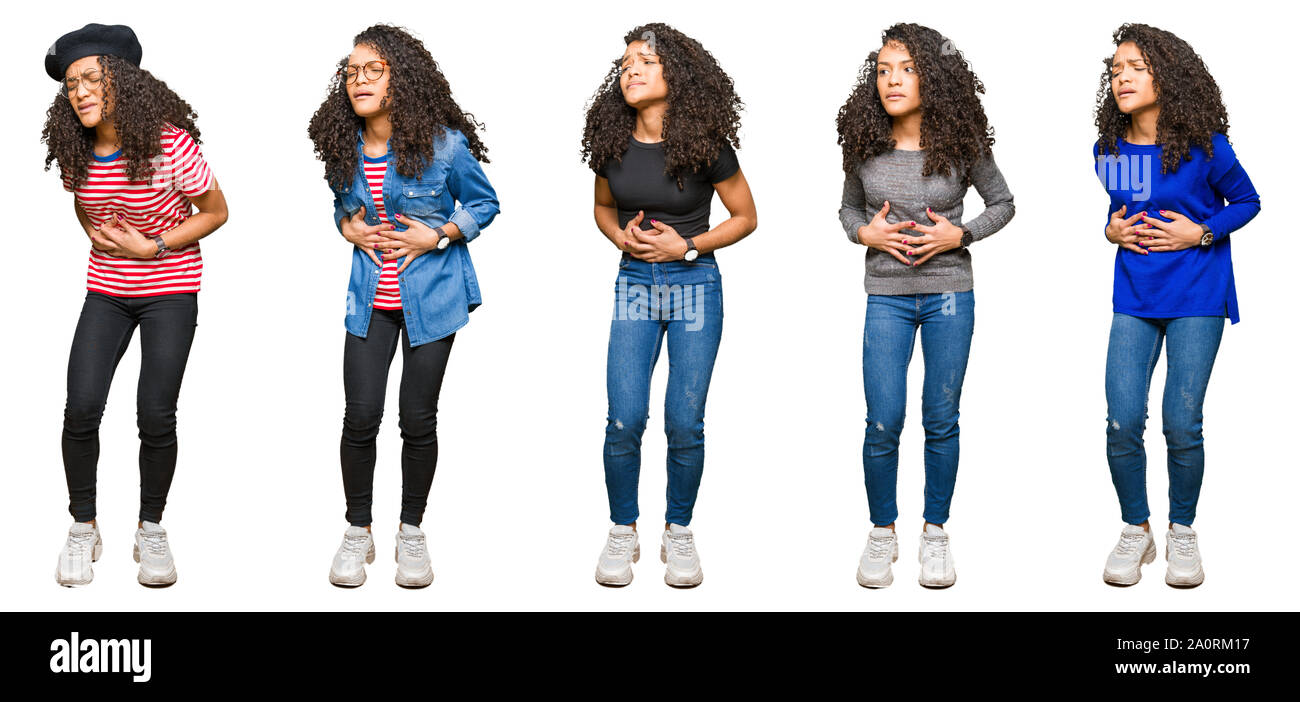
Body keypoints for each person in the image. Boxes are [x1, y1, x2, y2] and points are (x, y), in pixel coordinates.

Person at [309, 24, 499, 588]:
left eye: (374, 70)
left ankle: (411, 532)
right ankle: (358, 529)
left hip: (433, 301)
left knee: (417, 420)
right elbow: (346, 207)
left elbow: (485, 203)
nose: (358, 80)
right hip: (369, 300)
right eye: (351, 72)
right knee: (360, 416)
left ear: (402, 78)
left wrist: (437, 235)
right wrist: (346, 227)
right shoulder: (342, 147)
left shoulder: (444, 145)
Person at [44, 23, 228, 587]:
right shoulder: (78, 148)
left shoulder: (170, 145)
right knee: (81, 407)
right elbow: (84, 204)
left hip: (170, 289)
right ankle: (83, 525)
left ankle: (151, 528)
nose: (79, 91)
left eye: (91, 77)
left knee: (155, 413)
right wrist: (95, 234)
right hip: (108, 290)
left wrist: (153, 245)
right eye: (71, 83)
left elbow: (217, 211)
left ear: (121, 80)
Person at [837, 23, 1014, 588]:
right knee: (883, 419)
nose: (892, 80)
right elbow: (846, 212)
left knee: (940, 420)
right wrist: (864, 234)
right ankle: (882, 533)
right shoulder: (862, 143)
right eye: (884, 70)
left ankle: (934, 533)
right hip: (885, 297)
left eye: (907, 69)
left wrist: (957, 236)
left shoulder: (961, 143)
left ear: (931, 78)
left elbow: (1004, 204)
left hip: (948, 295)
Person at [582, 22, 757, 587]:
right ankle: (623, 530)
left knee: (685, 422)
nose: (631, 68)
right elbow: (603, 209)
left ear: (674, 75)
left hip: (695, 286)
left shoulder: (705, 144)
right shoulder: (611, 143)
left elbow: (745, 217)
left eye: (646, 61)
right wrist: (619, 239)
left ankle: (677, 531)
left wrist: (687, 246)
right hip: (634, 282)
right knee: (624, 418)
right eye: (626, 61)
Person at [1094, 23, 1259, 588]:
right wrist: (1110, 230)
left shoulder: (1204, 145)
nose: (1123, 77)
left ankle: (1181, 530)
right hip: (1135, 298)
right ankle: (1136, 528)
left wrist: (1203, 233)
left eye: (1136, 67)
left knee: (1180, 422)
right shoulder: (1110, 150)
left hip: (1197, 295)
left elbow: (1247, 201)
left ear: (1166, 74)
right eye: (1116, 70)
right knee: (1122, 420)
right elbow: (1126, 209)